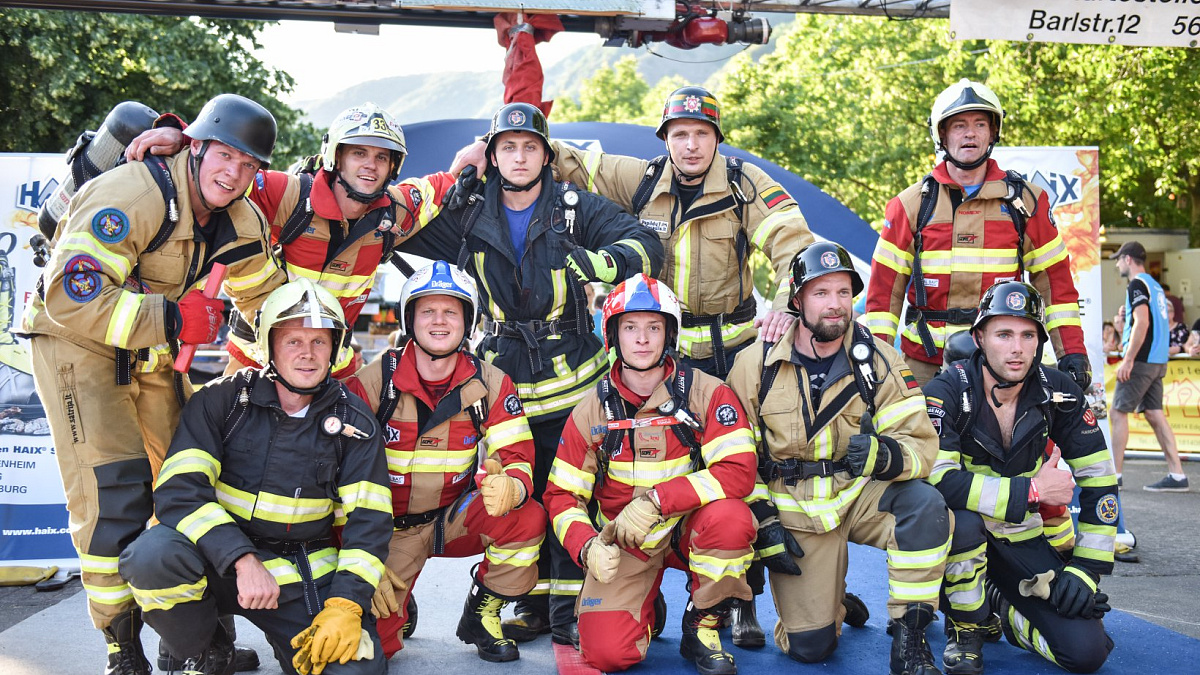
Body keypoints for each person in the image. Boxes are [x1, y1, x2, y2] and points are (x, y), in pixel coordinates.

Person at [18, 93, 287, 675]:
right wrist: (172, 318)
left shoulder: (240, 216)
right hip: (76, 345)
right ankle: (122, 646)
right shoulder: (133, 194)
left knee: (190, 480)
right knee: (113, 493)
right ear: (196, 146)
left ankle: (188, 636)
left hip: (147, 350)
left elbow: (270, 300)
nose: (233, 174)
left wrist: (305, 359)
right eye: (223, 156)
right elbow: (72, 293)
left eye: (247, 166)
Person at [402, 102, 663, 646]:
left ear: (546, 156)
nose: (519, 157)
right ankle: (535, 603)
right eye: (507, 147)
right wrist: (453, 175)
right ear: (494, 156)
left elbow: (645, 245)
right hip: (506, 382)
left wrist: (599, 265)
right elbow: (397, 224)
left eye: (530, 147)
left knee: (578, 490)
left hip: (575, 378)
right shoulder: (468, 213)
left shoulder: (573, 208)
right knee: (524, 492)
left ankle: (579, 605)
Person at [117, 278, 392, 675]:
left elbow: (370, 524)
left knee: (354, 672)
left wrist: (345, 605)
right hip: (218, 560)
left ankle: (285, 637)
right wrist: (242, 560)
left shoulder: (355, 424)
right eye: (293, 341)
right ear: (268, 346)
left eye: (319, 341)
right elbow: (180, 492)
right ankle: (206, 644)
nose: (307, 354)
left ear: (335, 348)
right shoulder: (221, 401)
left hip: (301, 571)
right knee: (151, 556)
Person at [726, 242, 950, 674]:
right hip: (796, 512)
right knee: (810, 648)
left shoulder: (880, 360)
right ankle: (831, 598)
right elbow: (738, 455)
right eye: (821, 293)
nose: (835, 305)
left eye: (844, 293)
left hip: (859, 495)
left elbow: (921, 444)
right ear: (797, 300)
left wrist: (885, 455)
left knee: (925, 505)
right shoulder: (756, 363)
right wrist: (764, 517)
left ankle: (910, 638)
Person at [127, 103, 455, 379]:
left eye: (382, 157)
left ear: (393, 166)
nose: (371, 164)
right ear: (336, 157)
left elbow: (441, 185)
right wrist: (184, 137)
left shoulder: (396, 212)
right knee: (230, 449)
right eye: (359, 152)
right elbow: (224, 172)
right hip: (255, 365)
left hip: (332, 368)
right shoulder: (286, 194)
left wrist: (481, 147)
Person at [543, 273, 758, 675]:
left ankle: (703, 625)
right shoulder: (590, 411)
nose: (642, 339)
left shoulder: (708, 394)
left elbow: (738, 472)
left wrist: (659, 501)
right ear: (613, 336)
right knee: (608, 655)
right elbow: (561, 497)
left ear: (669, 335)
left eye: (654, 327)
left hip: (687, 531)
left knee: (732, 519)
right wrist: (587, 546)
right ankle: (645, 600)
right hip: (624, 543)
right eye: (630, 327)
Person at [344, 261, 546, 663]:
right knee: (365, 654)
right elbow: (336, 476)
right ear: (410, 319)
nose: (439, 321)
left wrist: (514, 486)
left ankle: (482, 612)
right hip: (386, 532)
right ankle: (401, 599)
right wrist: (357, 556)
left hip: (452, 518)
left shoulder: (491, 383)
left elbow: (518, 454)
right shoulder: (370, 384)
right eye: (428, 311)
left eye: (451, 311)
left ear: (467, 321)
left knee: (527, 517)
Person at [926, 280, 1116, 674]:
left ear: (1039, 341)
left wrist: (1085, 572)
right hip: (958, 540)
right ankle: (966, 629)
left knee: (1086, 654)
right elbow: (939, 481)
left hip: (1020, 537)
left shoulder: (1059, 392)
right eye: (1004, 334)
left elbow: (1100, 484)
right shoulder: (945, 390)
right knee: (960, 524)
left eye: (1028, 335)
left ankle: (996, 604)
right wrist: (1032, 490)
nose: (1017, 348)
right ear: (979, 337)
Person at [865, 79, 1089, 391]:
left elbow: (1056, 286)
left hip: (1001, 365)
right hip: (926, 365)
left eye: (980, 123)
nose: (970, 133)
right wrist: (878, 359)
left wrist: (1073, 352)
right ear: (942, 134)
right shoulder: (910, 205)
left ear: (993, 133)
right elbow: (883, 295)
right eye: (959, 125)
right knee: (919, 440)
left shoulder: (1026, 203)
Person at [1110, 241, 1188, 492]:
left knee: (1118, 413)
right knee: (1154, 414)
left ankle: (1115, 477)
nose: (1117, 263)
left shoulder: (1137, 284)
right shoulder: (1155, 286)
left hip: (1142, 361)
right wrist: (1125, 319)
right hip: (1157, 360)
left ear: (1129, 259)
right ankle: (1177, 476)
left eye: (1119, 259)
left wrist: (1129, 359)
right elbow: (1148, 320)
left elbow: (1143, 323)